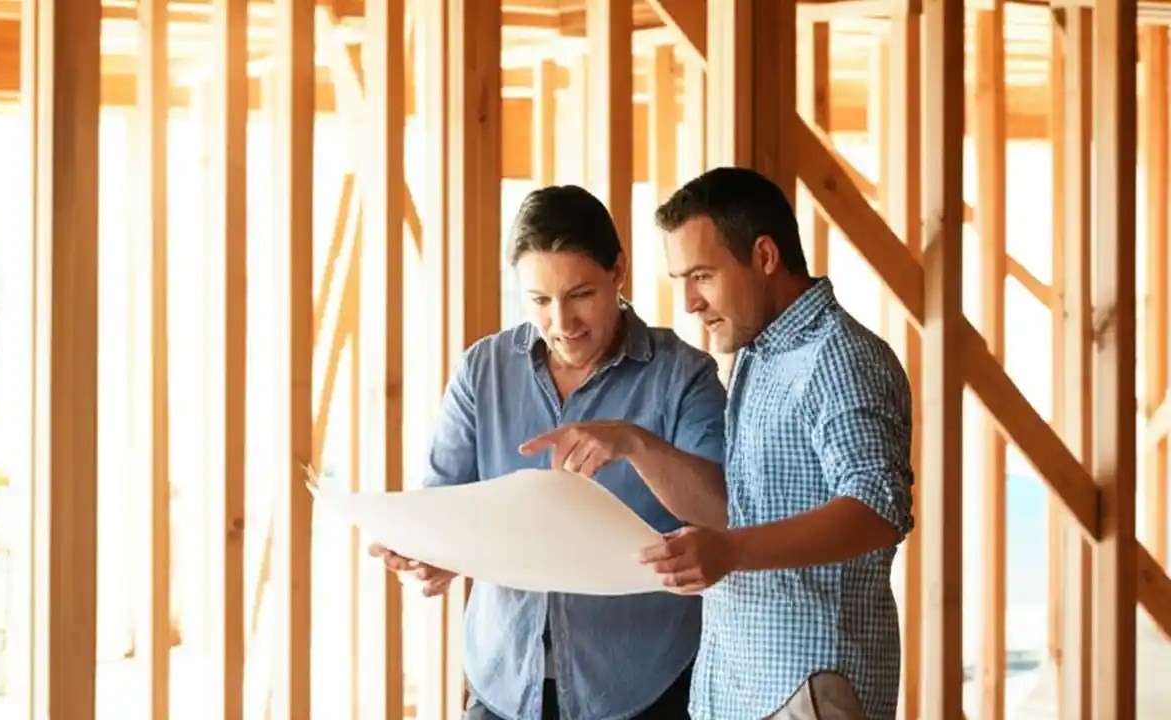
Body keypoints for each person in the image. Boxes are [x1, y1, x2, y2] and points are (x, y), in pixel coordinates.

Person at [368, 184, 728, 720]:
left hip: (645, 690)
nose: (562, 323)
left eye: (580, 293)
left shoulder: (684, 376)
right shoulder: (482, 371)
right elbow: (444, 506)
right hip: (504, 687)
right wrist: (426, 557)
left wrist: (635, 443)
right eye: (539, 300)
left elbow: (724, 513)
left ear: (619, 272)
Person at [630, 167, 915, 720]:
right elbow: (745, 506)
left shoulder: (840, 358)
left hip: (809, 690)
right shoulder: (759, 354)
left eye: (703, 275)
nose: (688, 302)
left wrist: (730, 550)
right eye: (679, 280)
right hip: (742, 690)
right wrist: (636, 445)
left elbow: (877, 509)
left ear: (764, 256)